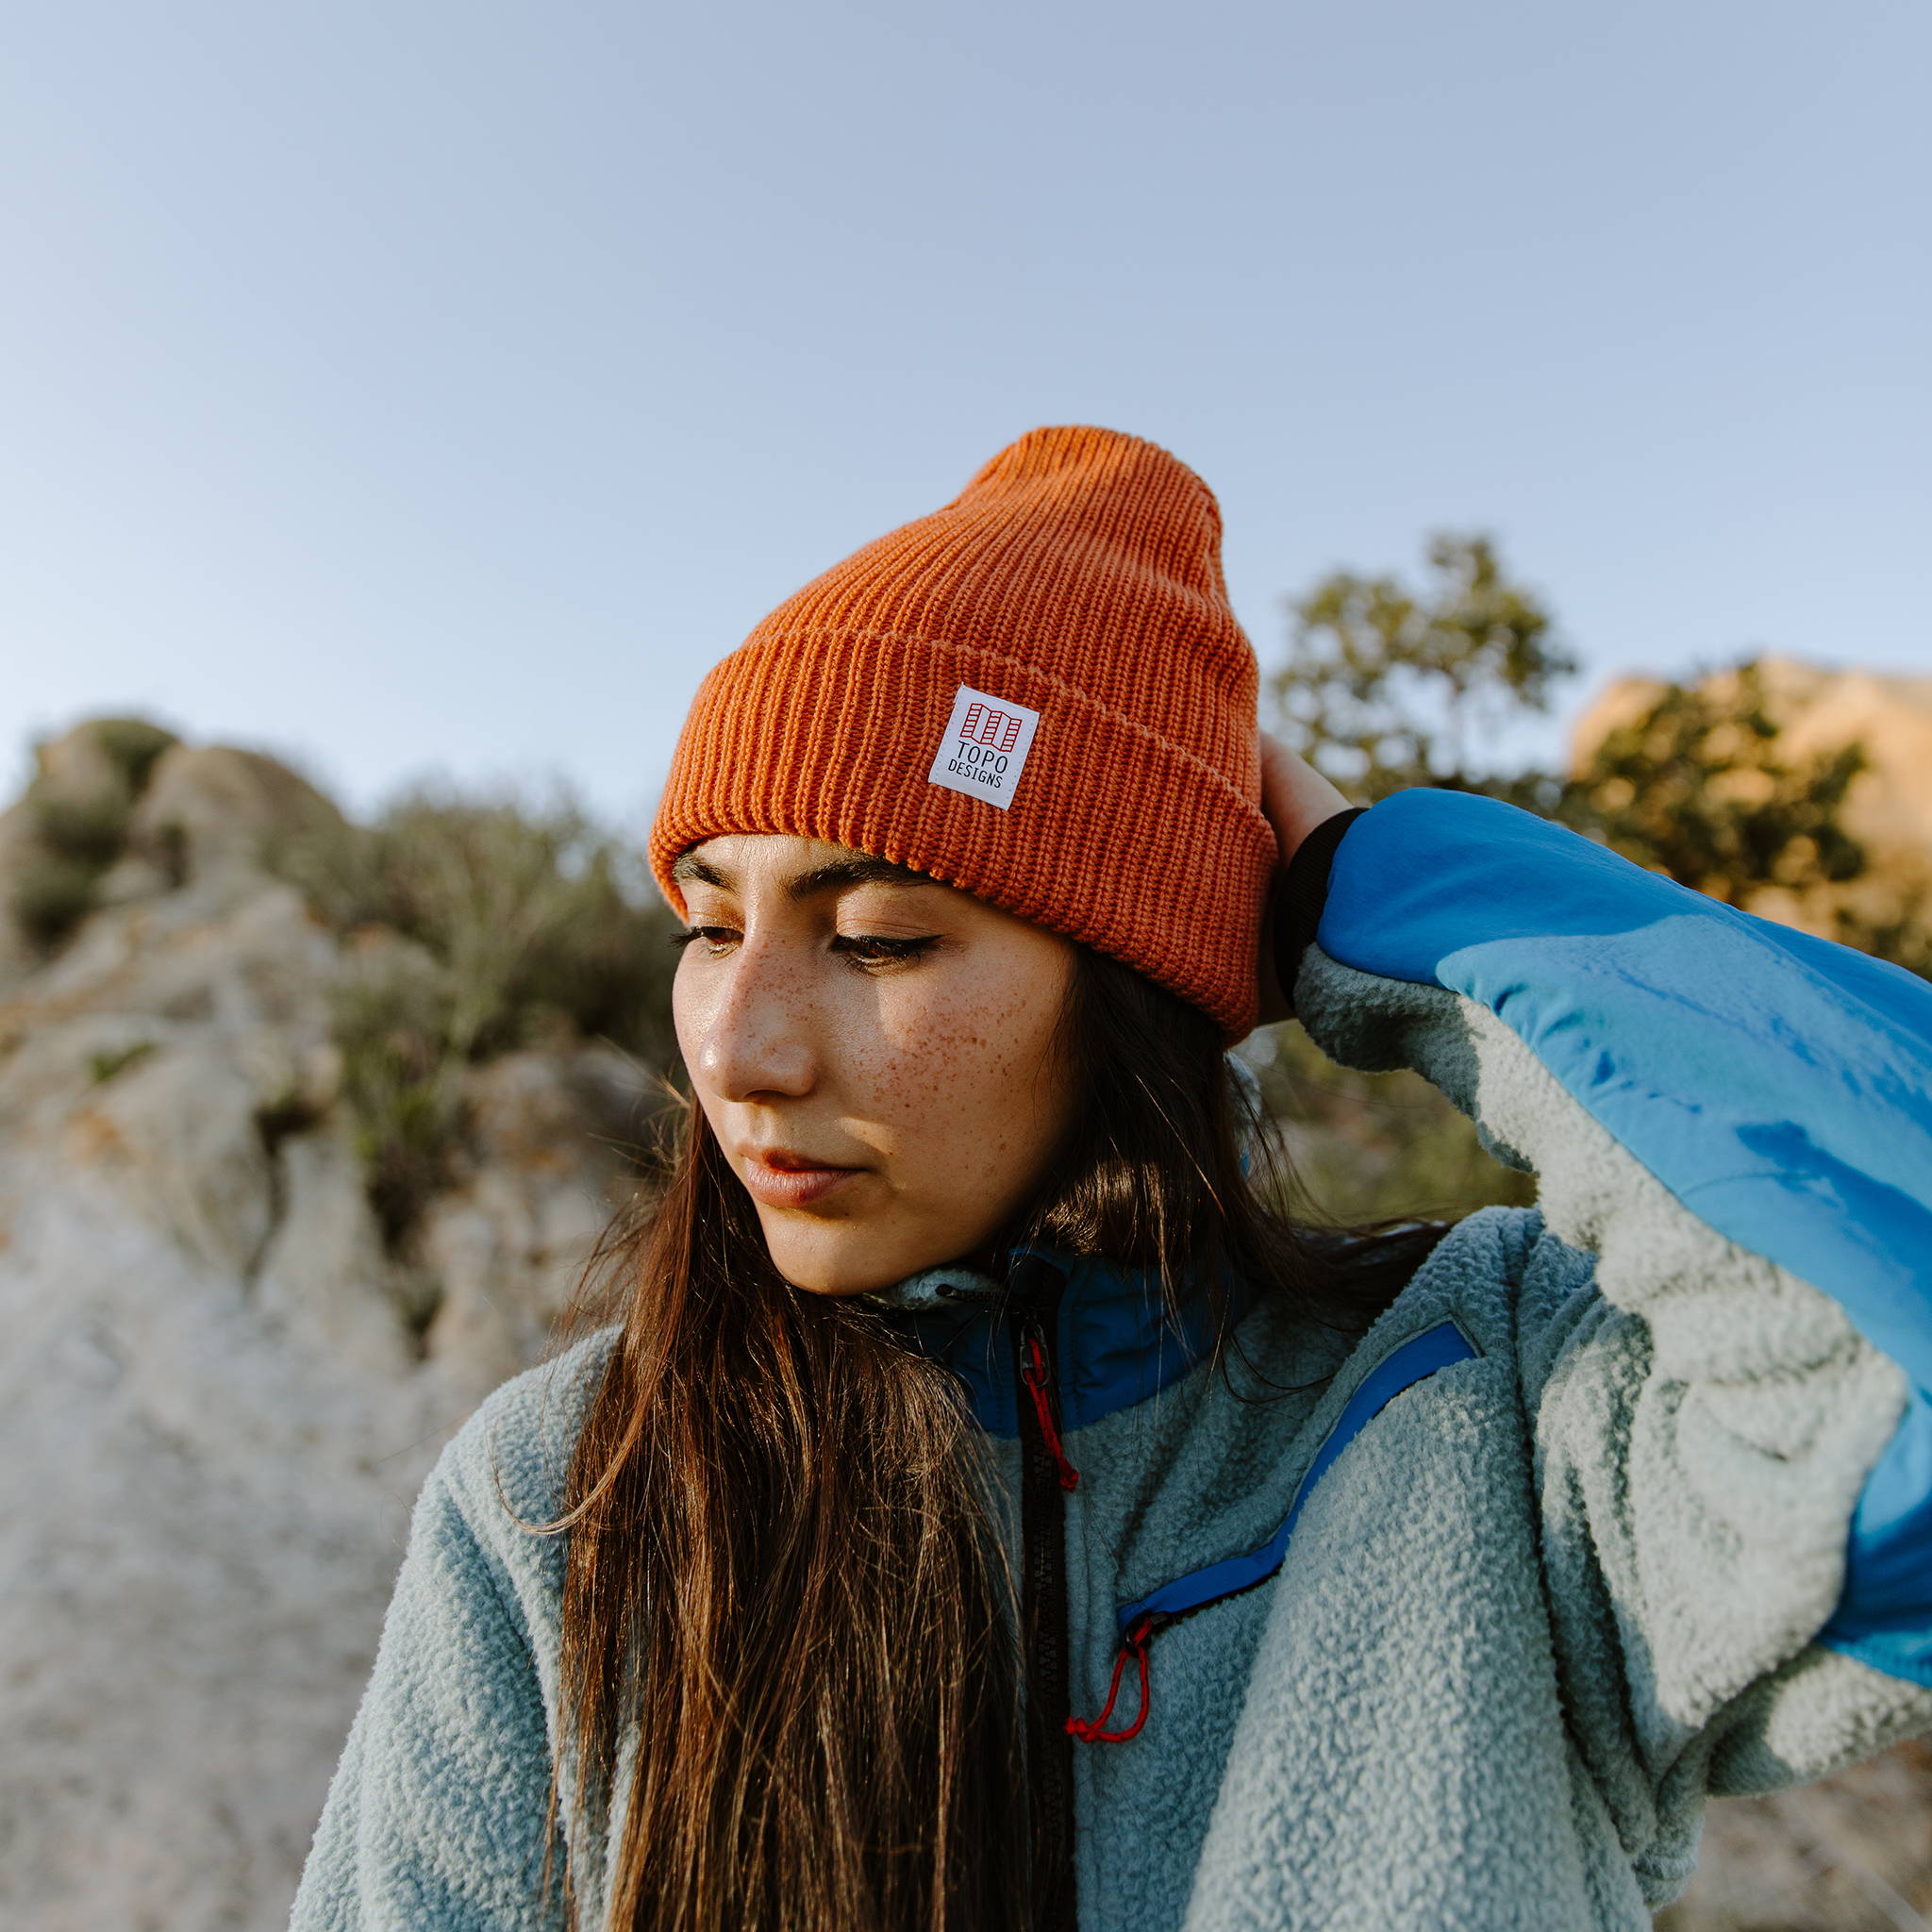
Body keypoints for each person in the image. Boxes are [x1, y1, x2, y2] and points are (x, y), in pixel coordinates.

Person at [291, 426, 1932, 1932]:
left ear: (1128, 994)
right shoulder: (571, 1496)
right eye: (709, 925)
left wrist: (1391, 897)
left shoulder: (1490, 1406)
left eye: (881, 939)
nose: (739, 1048)